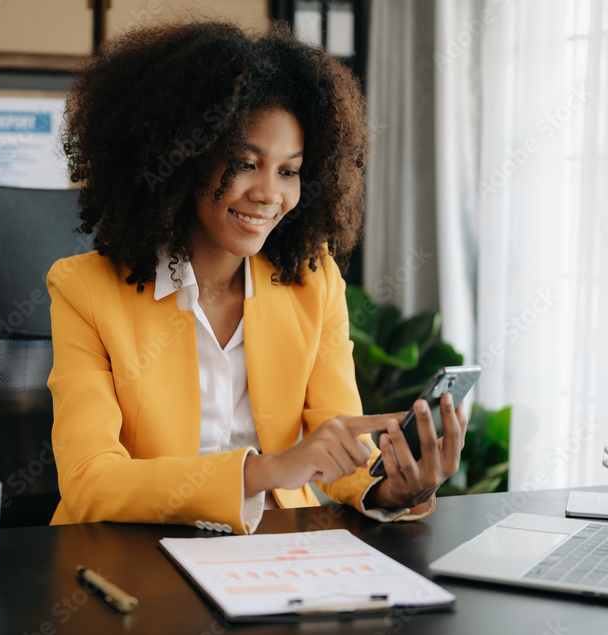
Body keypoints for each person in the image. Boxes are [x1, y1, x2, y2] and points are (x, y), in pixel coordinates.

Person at [46, 21, 467, 534]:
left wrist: (392, 488)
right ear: (182, 160)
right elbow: (89, 481)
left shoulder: (314, 284)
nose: (269, 194)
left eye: (289, 171)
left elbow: (341, 447)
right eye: (246, 163)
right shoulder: (84, 290)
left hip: (274, 551)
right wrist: (265, 471)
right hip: (133, 554)